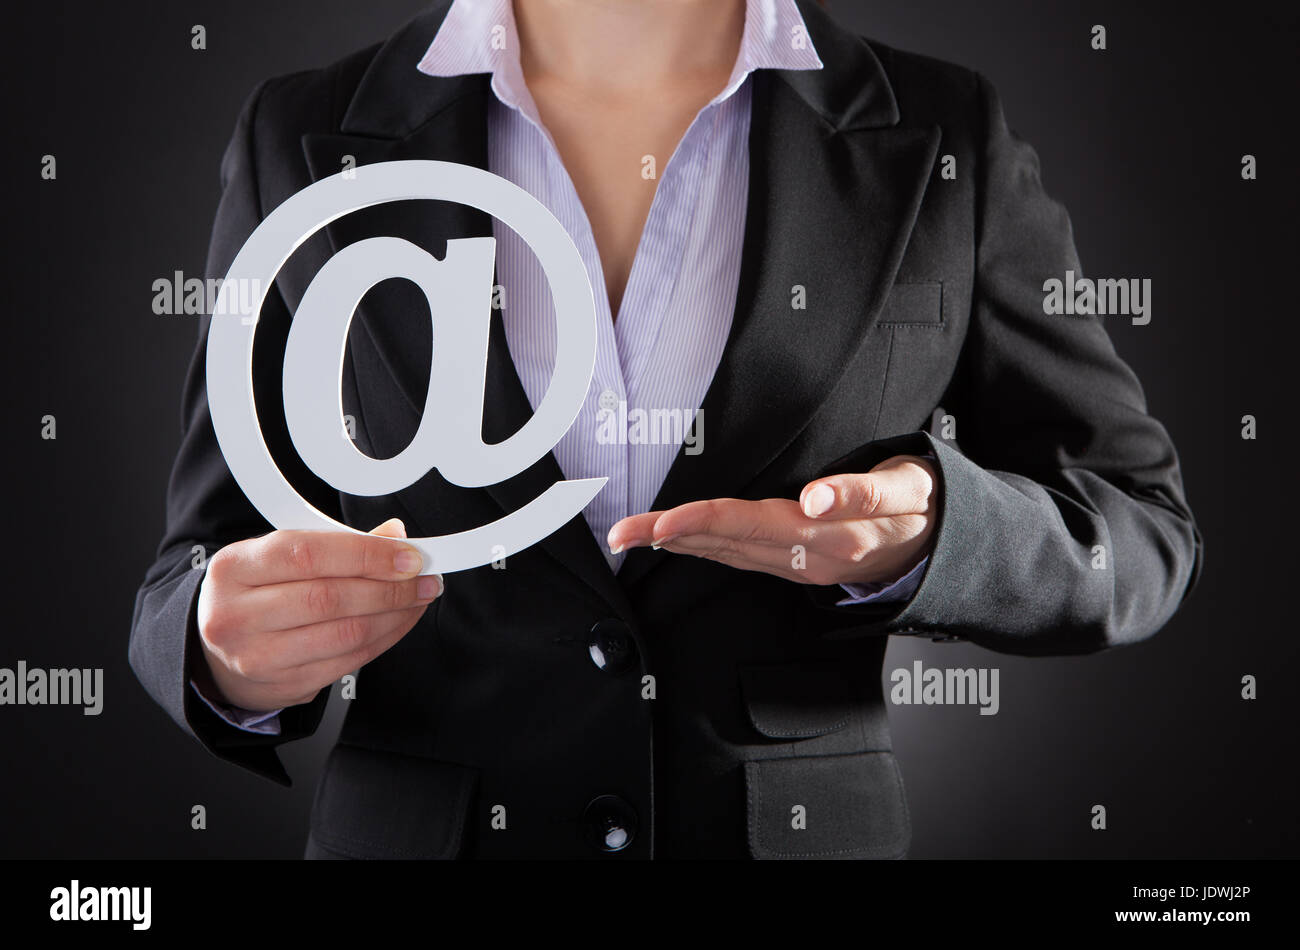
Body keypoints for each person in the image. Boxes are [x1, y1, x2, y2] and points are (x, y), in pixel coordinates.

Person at [130, 0, 1202, 859]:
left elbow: (1139, 531)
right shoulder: (302, 134)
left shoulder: (941, 130)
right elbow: (192, 564)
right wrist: (224, 651)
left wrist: (938, 533)